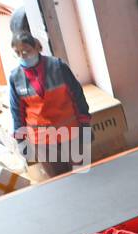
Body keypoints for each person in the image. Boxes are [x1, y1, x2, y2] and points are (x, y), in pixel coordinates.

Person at [8, 30, 91, 175]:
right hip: (43, 141)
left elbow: (77, 96)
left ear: (37, 47)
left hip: (71, 134)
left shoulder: (58, 67)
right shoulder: (15, 78)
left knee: (82, 174)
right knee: (58, 181)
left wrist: (85, 125)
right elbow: (16, 111)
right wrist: (21, 140)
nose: (23, 56)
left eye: (27, 51)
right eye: (18, 52)